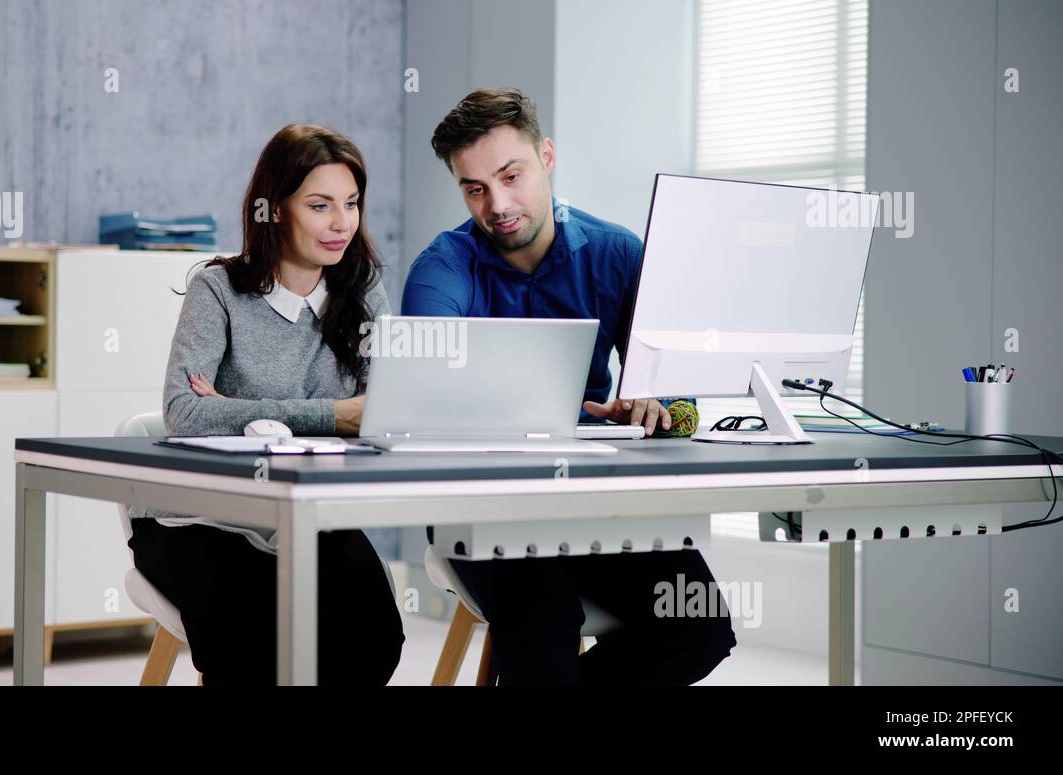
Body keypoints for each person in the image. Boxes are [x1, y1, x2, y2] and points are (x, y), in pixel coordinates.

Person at [403, 88, 736, 685]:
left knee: (700, 623)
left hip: (590, 505)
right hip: (477, 503)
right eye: (474, 188)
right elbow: (420, 405)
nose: (497, 204)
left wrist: (658, 408)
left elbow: (685, 407)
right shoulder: (442, 268)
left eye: (511, 175)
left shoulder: (618, 254)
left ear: (547, 156)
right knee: (546, 617)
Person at [127, 124, 405, 685]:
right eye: (320, 205)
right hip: (199, 517)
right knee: (254, 642)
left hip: (306, 518)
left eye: (351, 204)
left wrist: (241, 408)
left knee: (374, 638)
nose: (342, 223)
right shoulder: (218, 290)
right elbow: (184, 413)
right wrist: (334, 415)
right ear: (274, 210)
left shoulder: (365, 293)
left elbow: (384, 412)